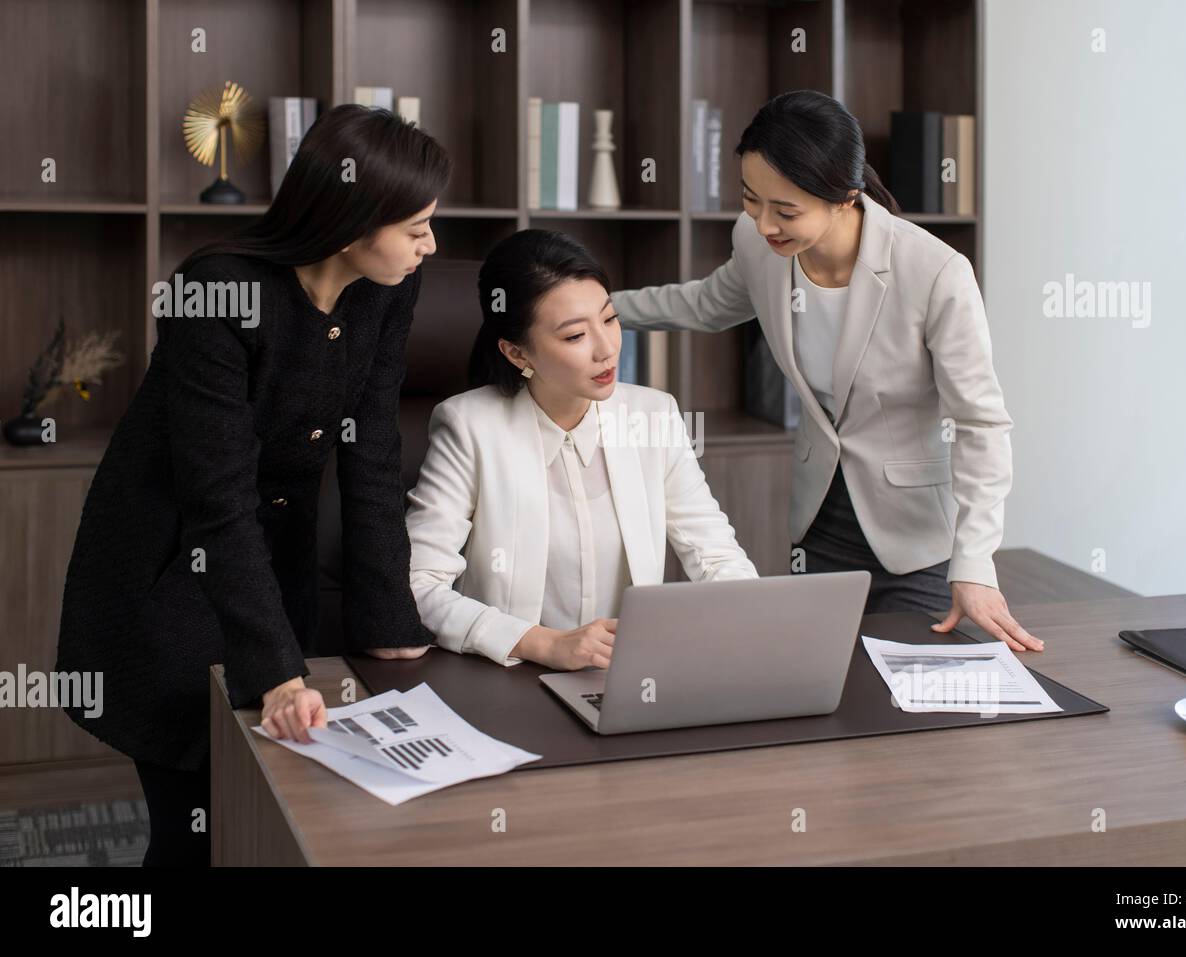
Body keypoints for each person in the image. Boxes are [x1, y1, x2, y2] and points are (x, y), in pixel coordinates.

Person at [55, 105, 446, 866]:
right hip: (173, 570)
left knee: (267, 816)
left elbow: (370, 458)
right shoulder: (217, 289)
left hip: (274, 569)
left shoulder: (387, 288)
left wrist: (388, 624)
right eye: (417, 226)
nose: (432, 244)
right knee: (193, 822)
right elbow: (217, 495)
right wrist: (273, 668)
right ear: (351, 220)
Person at [610, 90, 1043, 653]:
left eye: (786, 210)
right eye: (750, 199)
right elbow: (705, 304)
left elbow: (981, 425)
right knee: (815, 678)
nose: (764, 224)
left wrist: (977, 561)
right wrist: (594, 308)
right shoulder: (760, 243)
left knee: (909, 699)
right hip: (819, 520)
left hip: (916, 539)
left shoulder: (934, 272)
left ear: (846, 197)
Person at [405, 228, 759, 669]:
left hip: (629, 676)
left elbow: (714, 554)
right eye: (575, 336)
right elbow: (418, 586)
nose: (607, 349)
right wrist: (544, 644)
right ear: (518, 354)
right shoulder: (470, 427)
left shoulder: (654, 416)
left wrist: (753, 619)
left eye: (609, 320)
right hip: (510, 678)